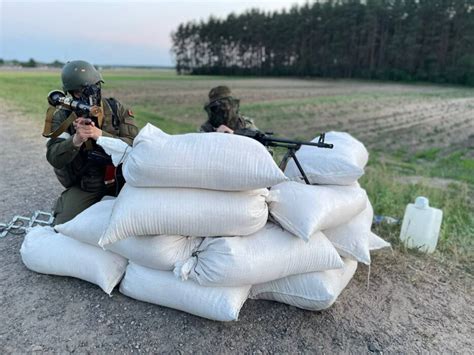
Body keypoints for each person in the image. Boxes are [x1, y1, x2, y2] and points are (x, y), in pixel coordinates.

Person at [43, 60, 138, 225]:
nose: (88, 96)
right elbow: (54, 158)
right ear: (71, 94)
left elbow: (136, 147)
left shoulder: (116, 109)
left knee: (134, 222)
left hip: (121, 181)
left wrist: (100, 135)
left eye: (92, 89)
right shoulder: (63, 116)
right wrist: (76, 140)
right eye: (79, 93)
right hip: (87, 185)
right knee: (63, 225)